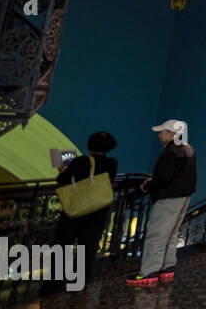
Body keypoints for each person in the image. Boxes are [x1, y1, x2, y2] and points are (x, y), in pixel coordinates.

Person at [129, 120, 197, 287]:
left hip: (170, 197)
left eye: (163, 132)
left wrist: (148, 186)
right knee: (172, 233)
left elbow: (164, 177)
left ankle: (148, 272)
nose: (160, 135)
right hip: (184, 195)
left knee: (157, 234)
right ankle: (167, 268)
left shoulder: (171, 151)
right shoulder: (188, 149)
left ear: (172, 134)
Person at [47, 131, 118, 291]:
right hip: (99, 210)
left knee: (63, 245)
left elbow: (63, 180)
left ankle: (54, 283)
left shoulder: (81, 161)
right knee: (88, 247)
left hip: (76, 210)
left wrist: (62, 170)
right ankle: (80, 282)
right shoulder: (112, 163)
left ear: (89, 146)